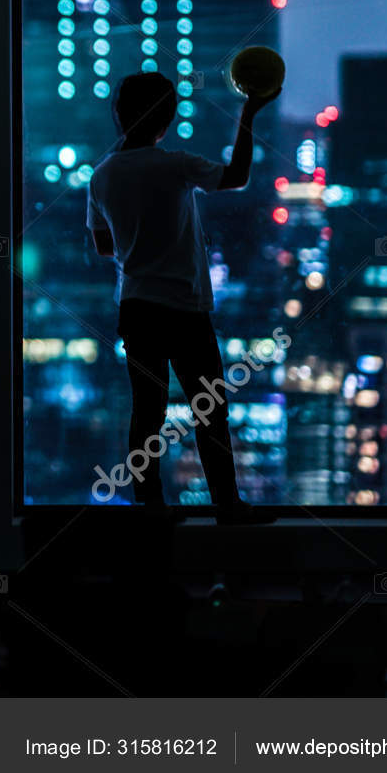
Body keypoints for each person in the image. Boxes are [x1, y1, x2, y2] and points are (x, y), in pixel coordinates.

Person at [87, 71, 279, 523]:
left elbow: (103, 246)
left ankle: (150, 505)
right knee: (209, 410)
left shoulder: (102, 175)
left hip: (136, 305)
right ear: (167, 118)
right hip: (185, 307)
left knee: (146, 412)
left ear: (119, 115)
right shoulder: (174, 165)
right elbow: (236, 177)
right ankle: (227, 505)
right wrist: (248, 113)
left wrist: (138, 244)